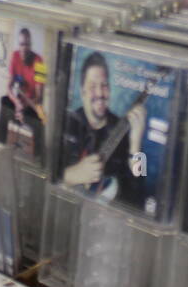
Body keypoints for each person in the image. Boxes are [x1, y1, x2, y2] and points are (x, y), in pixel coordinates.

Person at [61, 52, 145, 209]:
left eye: (104, 85)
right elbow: (43, 168)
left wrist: (136, 145)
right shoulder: (67, 123)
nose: (99, 93)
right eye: (92, 86)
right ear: (82, 91)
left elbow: (140, 189)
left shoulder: (124, 128)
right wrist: (72, 174)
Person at [0, 28, 46, 157]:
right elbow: (9, 87)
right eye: (22, 44)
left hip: (31, 103)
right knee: (4, 101)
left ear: (30, 45)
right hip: (19, 102)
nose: (24, 48)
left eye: (27, 44)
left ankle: (38, 158)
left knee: (42, 119)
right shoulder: (14, 56)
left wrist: (25, 107)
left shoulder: (40, 61)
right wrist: (17, 103)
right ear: (19, 44)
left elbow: (40, 97)